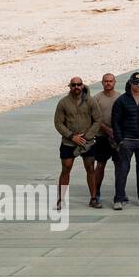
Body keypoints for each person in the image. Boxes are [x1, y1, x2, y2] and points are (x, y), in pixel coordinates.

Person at [109, 72, 139, 208]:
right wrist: (120, 140)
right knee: (122, 170)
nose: (138, 85)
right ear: (130, 83)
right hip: (127, 141)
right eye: (135, 82)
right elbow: (115, 121)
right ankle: (119, 199)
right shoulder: (122, 100)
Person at [53, 77, 98, 210]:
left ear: (82, 85)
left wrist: (88, 136)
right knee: (66, 169)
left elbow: (98, 120)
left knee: (90, 168)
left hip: (87, 141)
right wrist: (71, 136)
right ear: (70, 86)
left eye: (79, 84)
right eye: (74, 85)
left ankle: (94, 198)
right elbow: (58, 122)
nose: (76, 87)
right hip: (69, 142)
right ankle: (61, 200)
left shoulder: (91, 101)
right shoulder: (63, 103)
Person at [88, 72, 120, 208]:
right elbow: (95, 118)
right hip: (101, 137)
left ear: (114, 82)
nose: (108, 83)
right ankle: (96, 192)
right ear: (102, 83)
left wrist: (117, 132)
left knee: (120, 166)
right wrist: (107, 129)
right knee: (100, 165)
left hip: (117, 137)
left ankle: (120, 193)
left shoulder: (120, 97)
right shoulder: (96, 99)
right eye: (106, 81)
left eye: (110, 81)